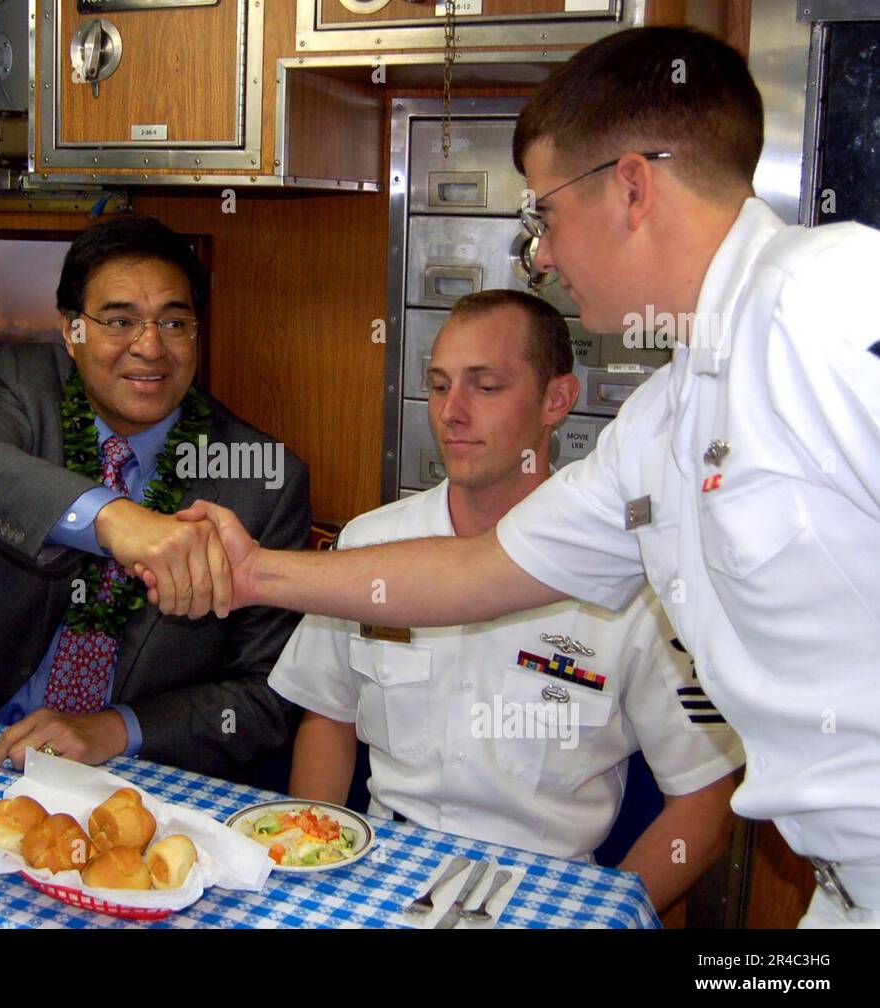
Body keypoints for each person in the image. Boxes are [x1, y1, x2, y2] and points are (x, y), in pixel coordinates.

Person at [155, 27, 880, 929]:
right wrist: (255, 572)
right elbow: (481, 571)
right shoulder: (664, 417)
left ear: (631, 186)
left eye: (543, 215)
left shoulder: (836, 302)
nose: (539, 255)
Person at [269, 290, 741, 912]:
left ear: (557, 401)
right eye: (439, 387)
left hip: (544, 893)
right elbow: (327, 716)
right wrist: (316, 865)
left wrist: (602, 924)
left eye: (485, 387)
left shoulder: (637, 578)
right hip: (383, 877)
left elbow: (703, 801)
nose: (451, 413)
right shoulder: (372, 545)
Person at [0, 216, 310, 782]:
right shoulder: (33, 389)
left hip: (139, 772)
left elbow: (267, 701)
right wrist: (110, 516)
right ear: (72, 331)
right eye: (120, 320)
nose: (150, 347)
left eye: (174, 321)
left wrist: (114, 728)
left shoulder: (263, 480)